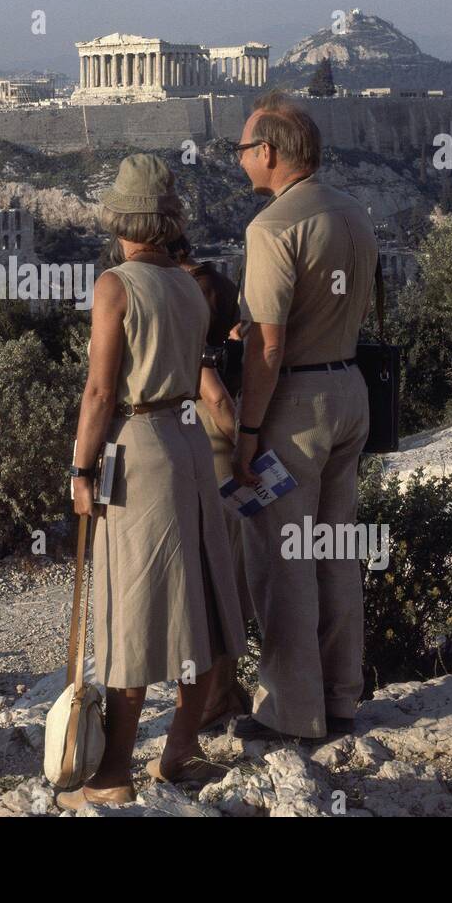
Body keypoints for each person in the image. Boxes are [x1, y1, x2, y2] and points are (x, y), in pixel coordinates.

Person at [62, 154, 247, 809]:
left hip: (140, 446)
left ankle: (112, 774)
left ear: (118, 216)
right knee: (199, 598)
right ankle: (180, 747)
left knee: (133, 609)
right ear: (166, 218)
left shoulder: (116, 285)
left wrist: (82, 469)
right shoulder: (188, 285)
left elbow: (99, 390)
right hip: (192, 442)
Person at [230, 93, 378, 742]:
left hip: (293, 407)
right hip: (349, 387)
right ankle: (343, 699)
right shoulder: (354, 213)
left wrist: (248, 431)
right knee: (336, 552)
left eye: (242, 150)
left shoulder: (271, 228)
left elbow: (268, 346)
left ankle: (292, 714)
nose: (239, 161)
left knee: (285, 561)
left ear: (267, 152)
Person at [165, 234, 255, 727]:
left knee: (210, 577)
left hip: (214, 442)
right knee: (233, 576)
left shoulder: (185, 294)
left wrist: (237, 441)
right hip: (235, 431)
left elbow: (213, 391)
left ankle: (212, 699)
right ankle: (224, 688)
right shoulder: (219, 281)